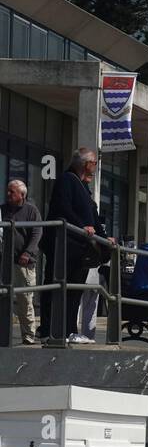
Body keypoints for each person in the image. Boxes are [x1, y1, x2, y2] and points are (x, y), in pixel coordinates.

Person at [43, 147, 108, 342]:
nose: (96, 167)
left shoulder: (82, 186)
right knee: (56, 287)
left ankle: (69, 330)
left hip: (80, 248)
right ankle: (48, 331)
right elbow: (62, 208)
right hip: (65, 245)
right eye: (95, 163)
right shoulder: (66, 180)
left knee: (74, 291)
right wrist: (82, 227)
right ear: (86, 164)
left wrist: (105, 236)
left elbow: (93, 216)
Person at [2, 179, 42, 344]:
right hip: (4, 261)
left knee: (24, 300)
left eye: (12, 192)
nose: (8, 195)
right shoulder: (2, 209)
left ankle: (28, 335)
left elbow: (37, 233)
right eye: (8, 191)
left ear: (22, 195)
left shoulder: (31, 211)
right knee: (3, 298)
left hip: (23, 262)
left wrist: (27, 252)